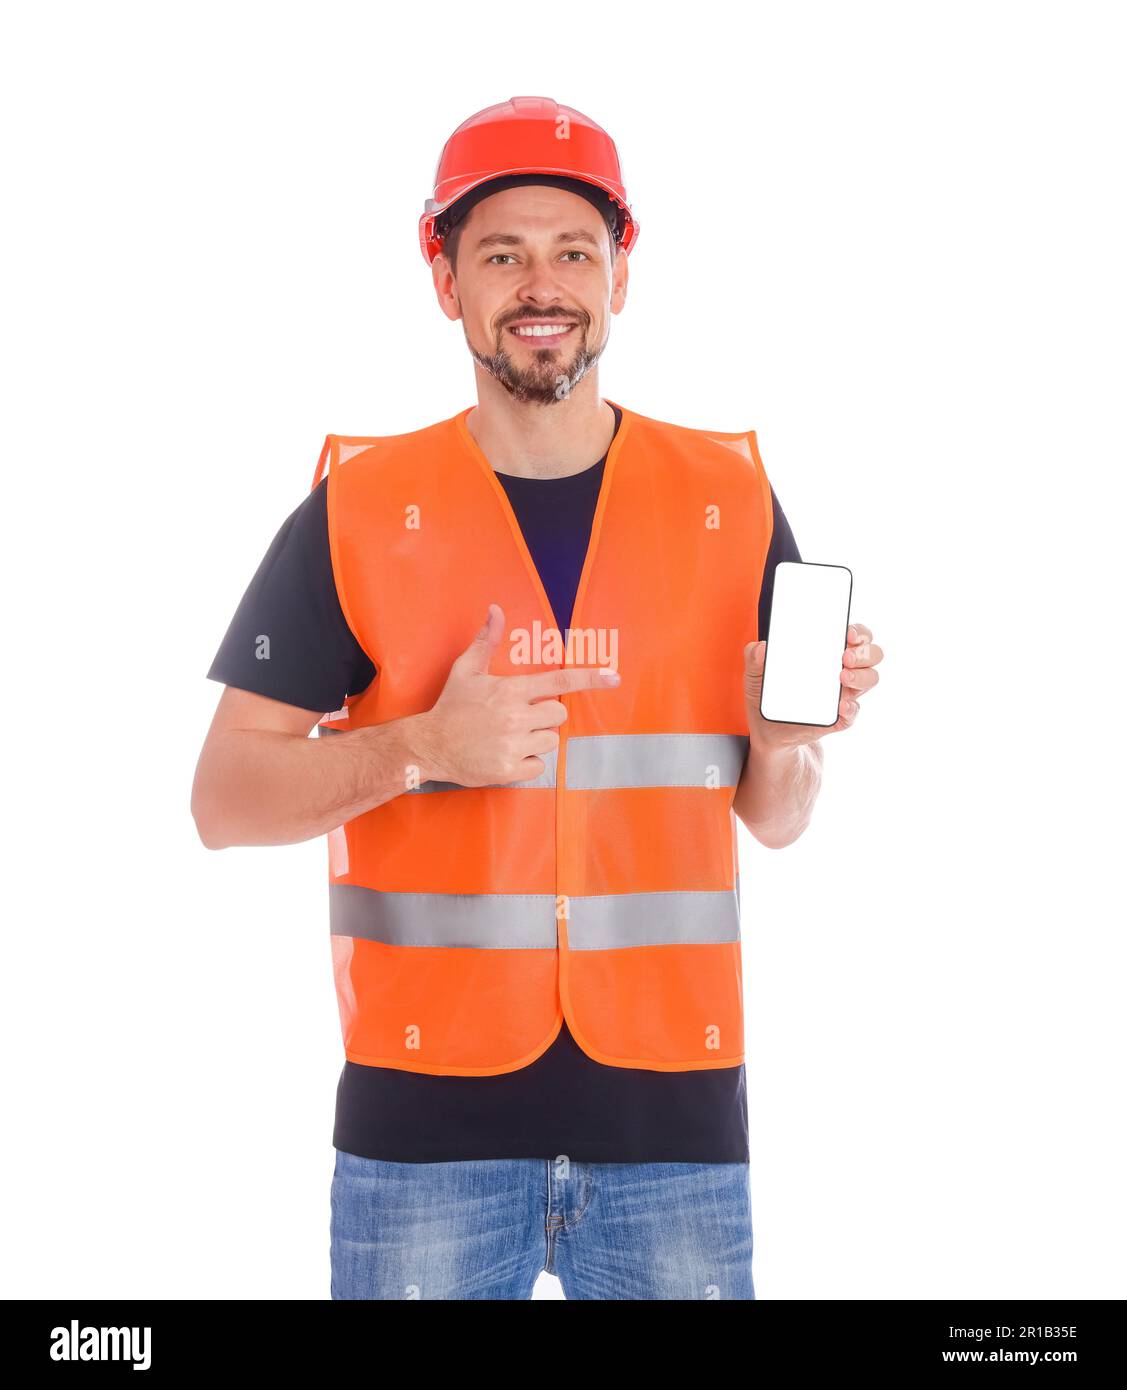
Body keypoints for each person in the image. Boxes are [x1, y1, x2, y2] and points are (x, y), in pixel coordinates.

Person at [191, 95, 883, 1300]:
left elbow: (774, 818)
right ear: (445, 280)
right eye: (500, 253)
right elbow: (221, 798)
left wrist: (781, 745)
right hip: (421, 1135)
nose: (539, 283)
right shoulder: (356, 510)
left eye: (572, 250)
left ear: (620, 274)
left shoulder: (729, 500)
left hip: (676, 1132)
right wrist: (415, 745)